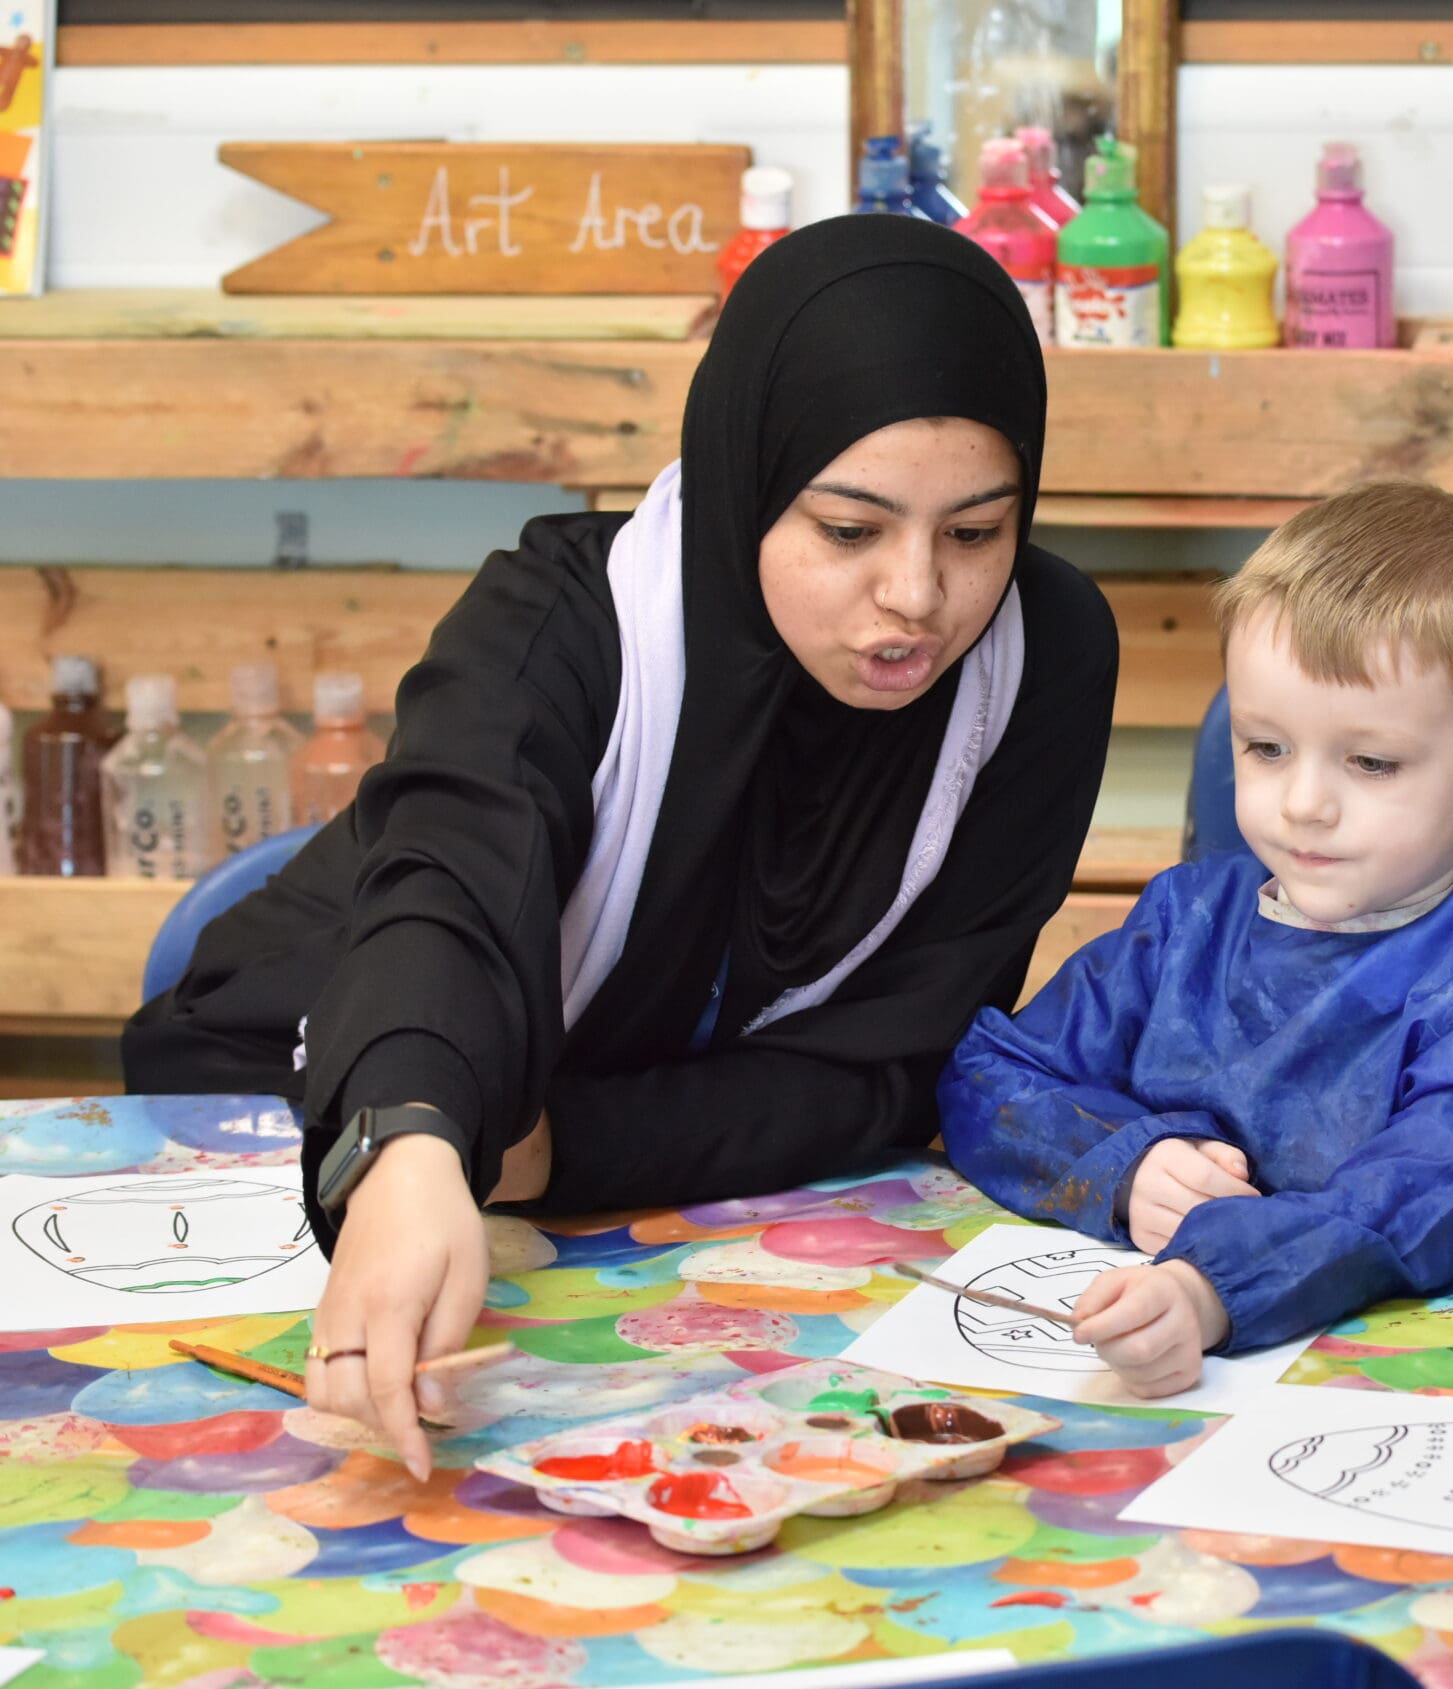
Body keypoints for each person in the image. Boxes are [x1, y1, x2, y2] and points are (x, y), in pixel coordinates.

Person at [122, 216, 1118, 1479]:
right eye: (848, 530)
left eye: (975, 534)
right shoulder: (561, 622)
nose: (916, 597)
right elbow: (446, 898)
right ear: (749, 478)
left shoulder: (1039, 659)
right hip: (319, 1105)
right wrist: (410, 1143)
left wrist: (554, 1150)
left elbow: (895, 1062)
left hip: (637, 1196)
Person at [939, 480, 1453, 1398]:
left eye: (1372, 761)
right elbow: (988, 1077)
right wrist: (1129, 1162)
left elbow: (1418, 1197)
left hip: (1445, 1399)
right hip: (1217, 1385)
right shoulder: (1186, 923)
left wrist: (1211, 1284)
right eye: (1266, 747)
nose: (1304, 802)